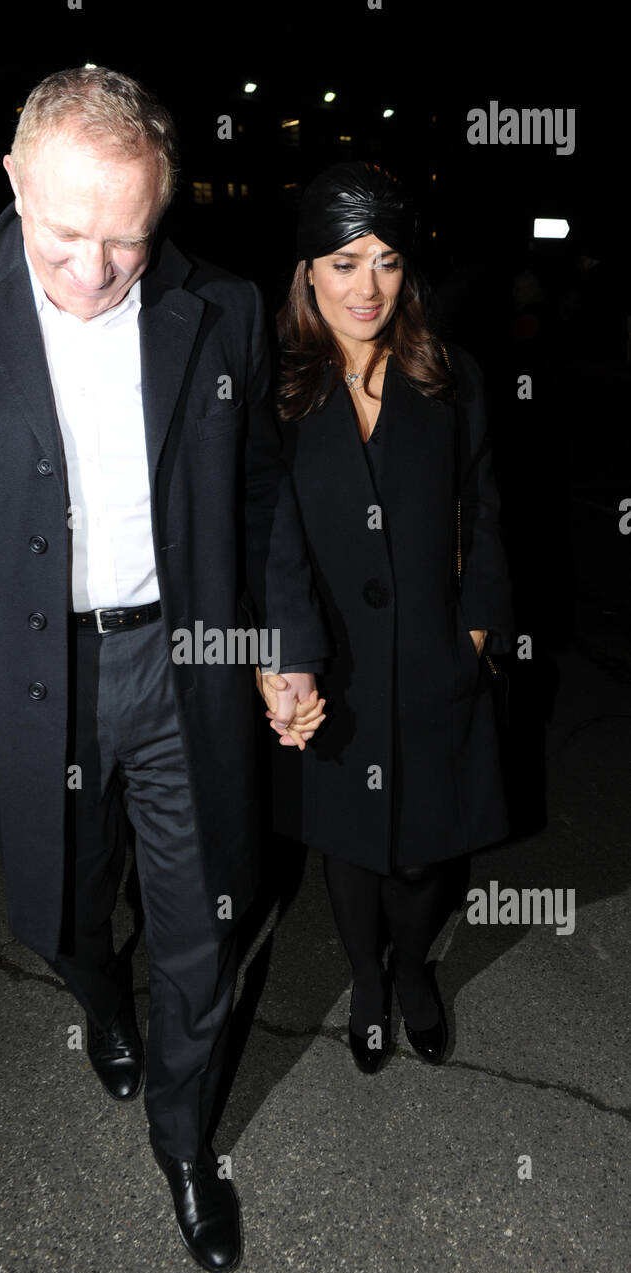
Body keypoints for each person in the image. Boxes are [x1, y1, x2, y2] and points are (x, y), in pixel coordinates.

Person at [0, 66, 329, 1273]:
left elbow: (263, 500)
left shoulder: (219, 308)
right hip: (25, 677)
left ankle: (185, 1138)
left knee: (204, 930)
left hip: (186, 671)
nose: (92, 273)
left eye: (126, 241)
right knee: (63, 907)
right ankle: (99, 997)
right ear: (14, 182)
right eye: (68, 235)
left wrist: (282, 648)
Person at [269, 161, 513, 1073]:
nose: (367, 287)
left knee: (423, 856)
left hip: (435, 661)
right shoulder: (276, 390)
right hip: (335, 670)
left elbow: (484, 509)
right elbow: (267, 540)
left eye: (387, 261)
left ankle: (414, 970)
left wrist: (478, 630)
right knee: (353, 850)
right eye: (342, 262)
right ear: (307, 271)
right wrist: (279, 656)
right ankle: (367, 987)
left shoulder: (450, 377)